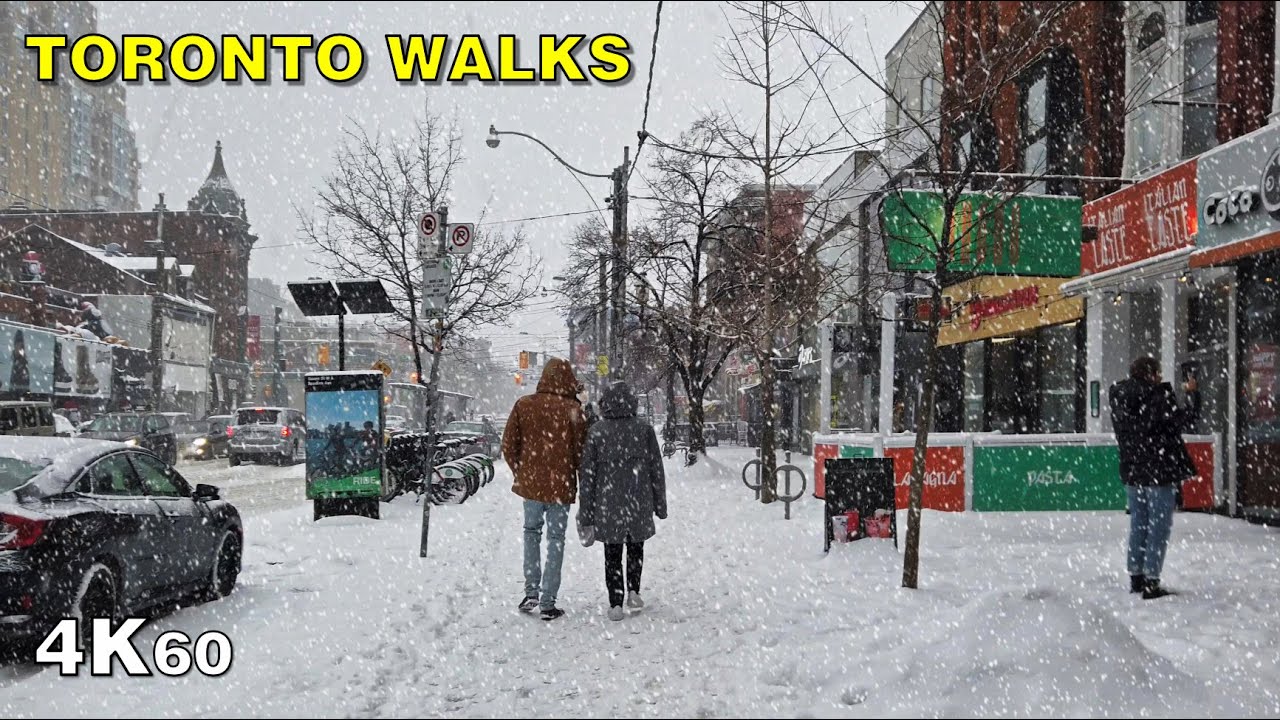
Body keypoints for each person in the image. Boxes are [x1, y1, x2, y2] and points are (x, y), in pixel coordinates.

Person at [502, 357, 587, 621]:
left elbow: (508, 445)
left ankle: (531, 592)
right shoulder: (573, 409)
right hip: (561, 486)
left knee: (531, 533)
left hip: (531, 487)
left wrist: (522, 471)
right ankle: (548, 601)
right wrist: (577, 477)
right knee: (556, 539)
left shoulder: (524, 405)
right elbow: (581, 452)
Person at [1109, 356, 1199, 600]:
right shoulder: (1157, 395)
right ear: (1150, 374)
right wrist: (1191, 394)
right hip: (1159, 470)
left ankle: (1136, 577)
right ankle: (1152, 581)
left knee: (1139, 524)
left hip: (1133, 470)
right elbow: (1185, 420)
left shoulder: (1118, 396)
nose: (1160, 377)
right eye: (1158, 373)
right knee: (1159, 526)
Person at [577, 382, 668, 621]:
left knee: (612, 553)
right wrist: (660, 504)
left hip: (608, 504)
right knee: (636, 548)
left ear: (604, 403)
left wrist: (586, 513)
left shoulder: (597, 432)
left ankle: (615, 602)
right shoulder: (644, 429)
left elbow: (587, 476)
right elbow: (656, 470)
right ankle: (634, 591)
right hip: (639, 500)